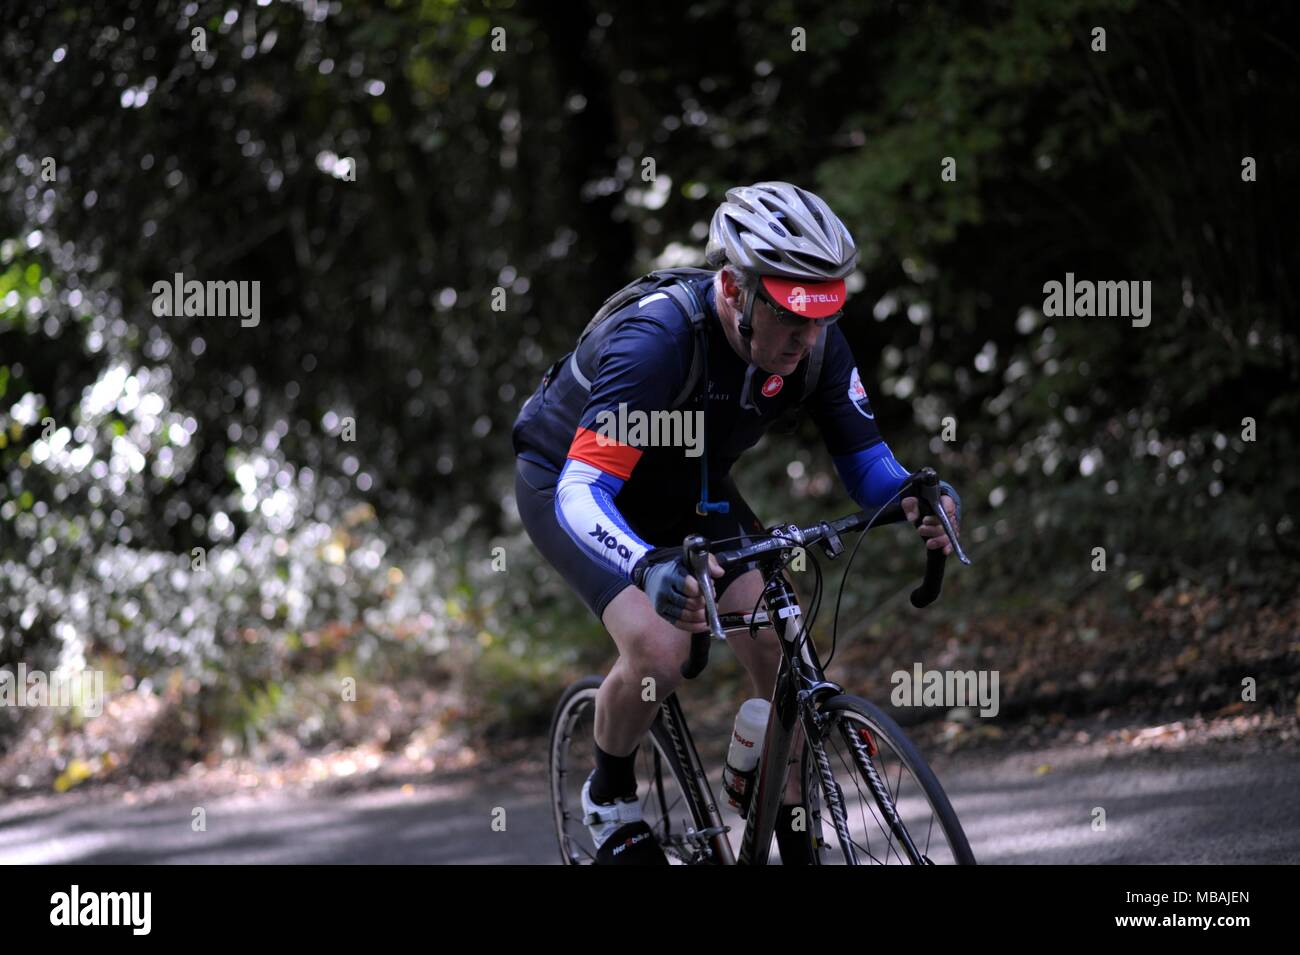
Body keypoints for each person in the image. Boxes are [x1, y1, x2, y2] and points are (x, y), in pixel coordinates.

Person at [512, 181, 961, 864]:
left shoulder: (815, 344)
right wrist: (644, 562)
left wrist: (917, 494)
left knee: (786, 644)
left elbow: (868, 465)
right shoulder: (658, 341)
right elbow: (583, 490)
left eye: (821, 315)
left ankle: (779, 818)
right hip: (573, 480)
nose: (806, 338)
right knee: (660, 650)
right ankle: (609, 797)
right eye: (789, 316)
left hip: (688, 487)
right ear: (732, 288)